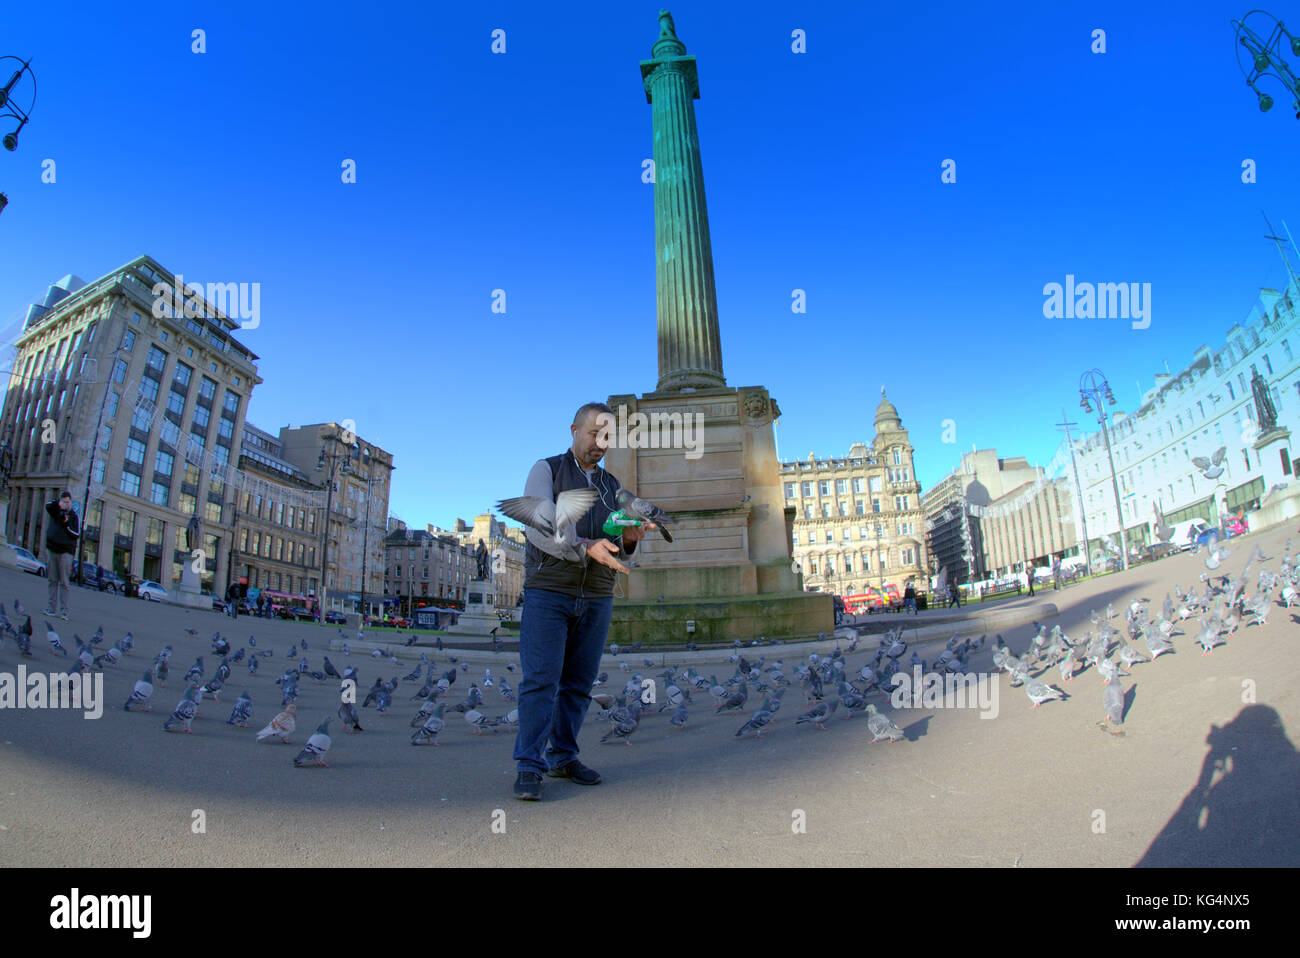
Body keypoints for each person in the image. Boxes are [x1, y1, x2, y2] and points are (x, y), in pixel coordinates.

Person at [511, 402, 650, 801]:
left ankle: (564, 756)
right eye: (593, 434)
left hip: (597, 594)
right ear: (573, 430)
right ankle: (529, 766)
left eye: (607, 437)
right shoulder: (547, 470)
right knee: (540, 680)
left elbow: (618, 544)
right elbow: (539, 525)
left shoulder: (612, 485)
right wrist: (582, 545)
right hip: (549, 591)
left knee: (578, 684)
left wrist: (629, 539)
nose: (600, 444)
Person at [43, 491, 80, 620]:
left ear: (71, 502)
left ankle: (64, 611)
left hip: (66, 551)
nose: (65, 504)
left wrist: (66, 524)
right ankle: (51, 608)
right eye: (63, 501)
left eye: (67, 502)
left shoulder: (73, 516)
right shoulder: (55, 511)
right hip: (52, 548)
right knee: (52, 580)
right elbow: (47, 506)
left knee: (64, 582)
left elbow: (75, 534)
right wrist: (57, 504)